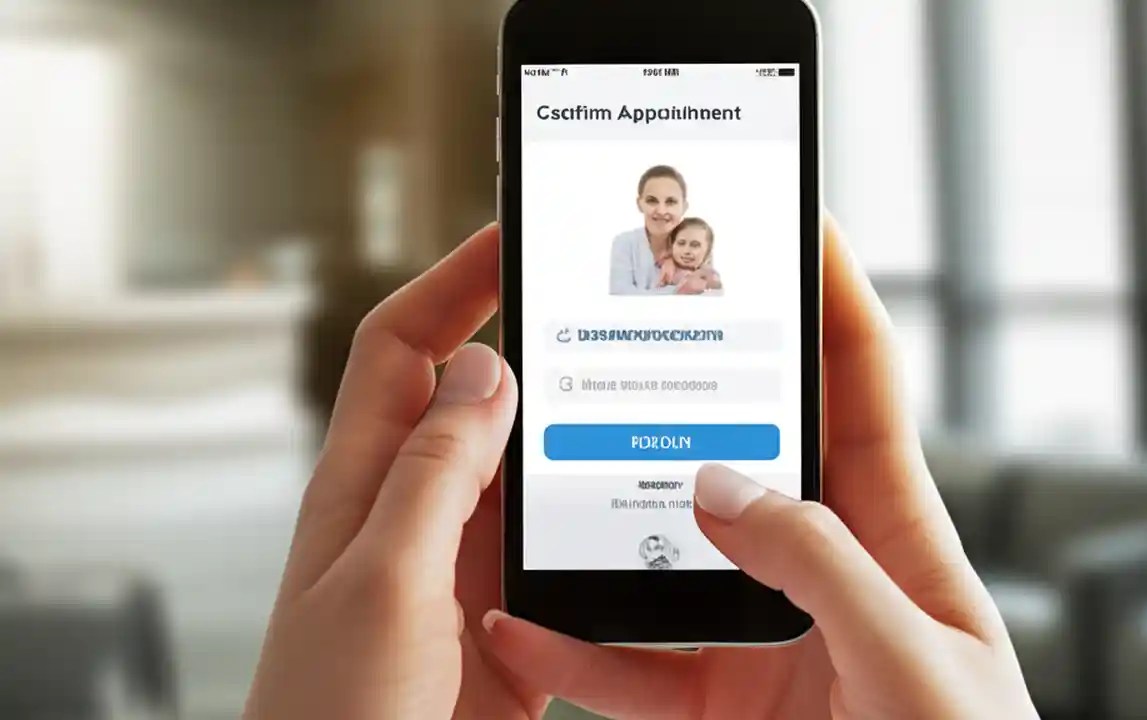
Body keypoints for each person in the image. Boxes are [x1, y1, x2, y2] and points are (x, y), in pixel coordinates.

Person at [244, 220, 1038, 719]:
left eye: (684, 225)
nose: (671, 230)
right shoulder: (633, 268)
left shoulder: (705, 279)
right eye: (658, 214)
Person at [609, 165, 693, 295]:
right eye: (652, 201)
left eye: (671, 202)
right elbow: (620, 294)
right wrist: (678, 291)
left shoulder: (698, 242)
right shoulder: (625, 243)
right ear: (639, 204)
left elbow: (707, 292)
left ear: (684, 206)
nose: (661, 211)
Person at [657, 216, 722, 294]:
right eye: (681, 243)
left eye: (695, 245)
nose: (686, 251)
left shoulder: (709, 275)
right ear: (672, 245)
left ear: (708, 251)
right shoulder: (664, 271)